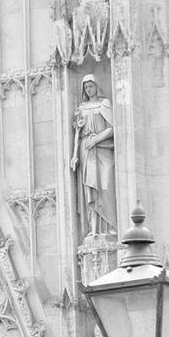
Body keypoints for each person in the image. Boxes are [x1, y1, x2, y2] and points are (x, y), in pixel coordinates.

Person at [70, 74, 116, 237]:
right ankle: (94, 230)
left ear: (97, 86)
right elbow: (77, 133)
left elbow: (113, 128)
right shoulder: (81, 108)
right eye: (86, 87)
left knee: (105, 186)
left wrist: (97, 139)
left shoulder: (105, 104)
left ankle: (110, 225)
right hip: (86, 150)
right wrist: (75, 154)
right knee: (90, 190)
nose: (89, 90)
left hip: (103, 149)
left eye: (91, 86)